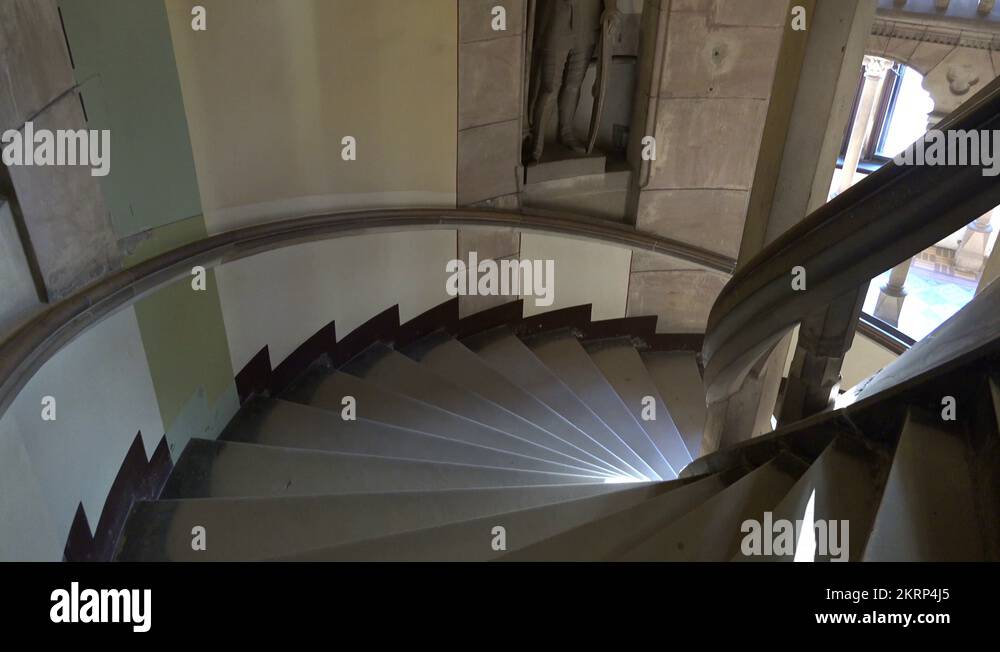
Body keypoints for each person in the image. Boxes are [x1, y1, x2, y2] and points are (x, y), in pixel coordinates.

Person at [528, 0, 621, 162]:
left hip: (587, 22)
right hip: (556, 21)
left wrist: (611, 9)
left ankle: (566, 132)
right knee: (549, 87)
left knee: (574, 85)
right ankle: (537, 143)